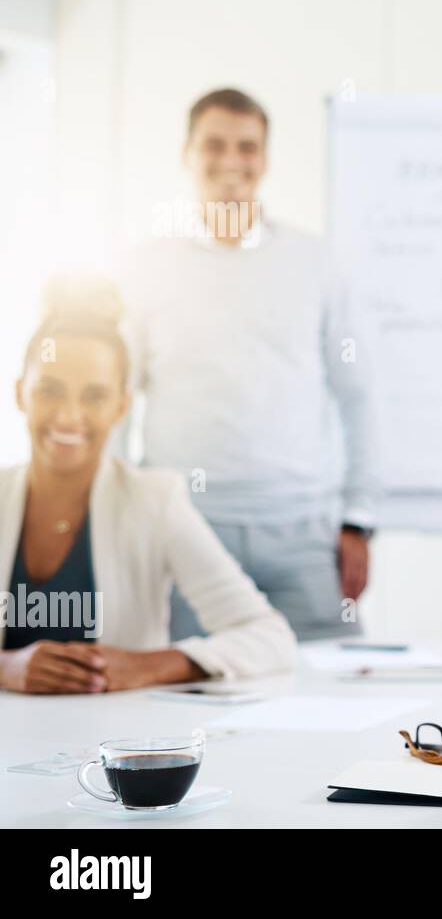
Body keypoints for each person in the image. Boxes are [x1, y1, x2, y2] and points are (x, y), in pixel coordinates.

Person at [119, 88, 381, 641]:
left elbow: (358, 394)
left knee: (329, 688)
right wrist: (123, 520)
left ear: (264, 159)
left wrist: (358, 521)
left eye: (247, 147)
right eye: (214, 145)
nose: (231, 161)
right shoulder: (145, 267)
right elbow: (118, 403)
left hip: (303, 532)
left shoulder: (315, 262)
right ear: (187, 154)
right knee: (186, 692)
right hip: (185, 527)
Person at [0, 278, 296, 693]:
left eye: (94, 396)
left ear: (121, 406)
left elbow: (268, 636)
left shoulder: (154, 501)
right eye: (50, 391)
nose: (68, 417)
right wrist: (7, 667)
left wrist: (153, 665)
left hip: (119, 747)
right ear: (19, 394)